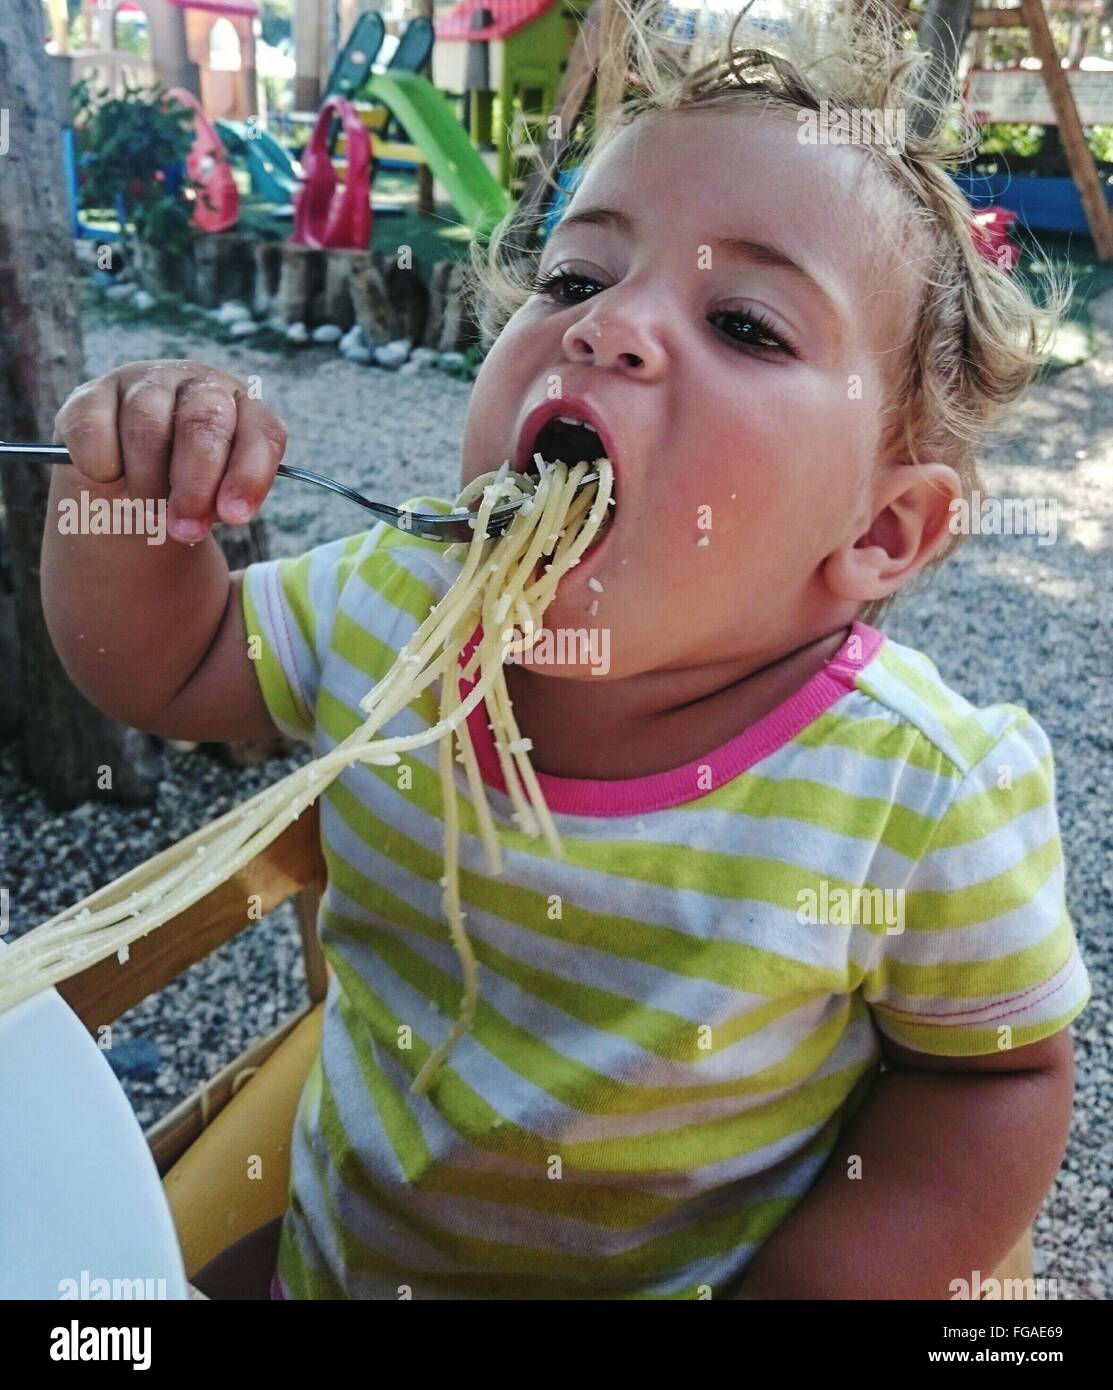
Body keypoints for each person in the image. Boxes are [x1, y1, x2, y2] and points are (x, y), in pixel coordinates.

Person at [42, 1, 1090, 1299]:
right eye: (576, 277)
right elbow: (158, 661)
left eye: (747, 323)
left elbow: (990, 1075)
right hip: (340, 1253)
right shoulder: (399, 601)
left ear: (879, 531)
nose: (605, 326)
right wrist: (131, 496)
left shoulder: (912, 791)